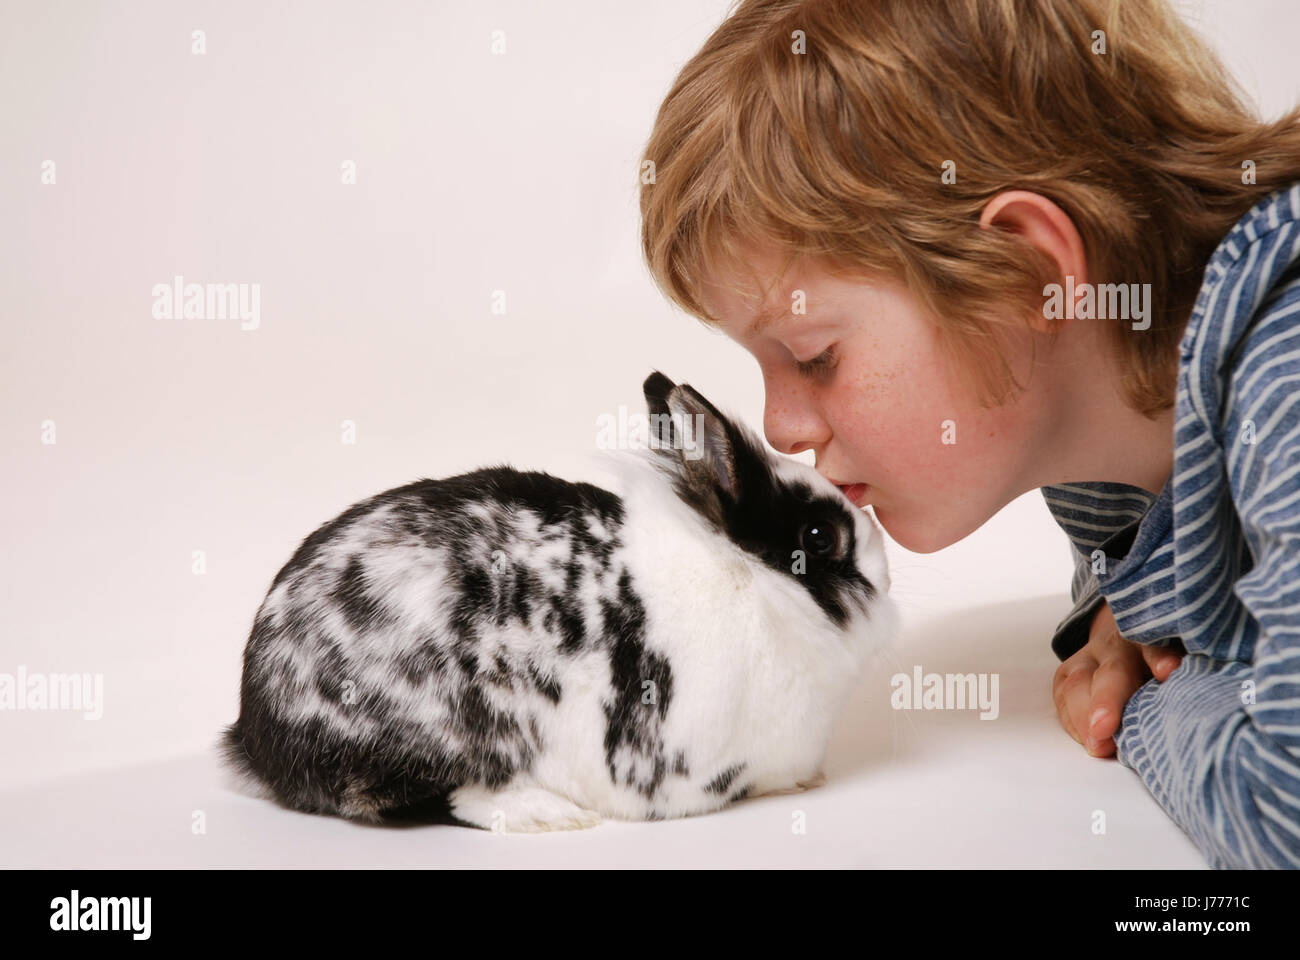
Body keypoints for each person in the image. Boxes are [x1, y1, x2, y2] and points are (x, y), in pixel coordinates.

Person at [637, 0, 1300, 868]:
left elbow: (1282, 810)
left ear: (1027, 275)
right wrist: (1119, 608)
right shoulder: (1095, 463)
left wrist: (1162, 700)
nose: (779, 427)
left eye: (815, 356)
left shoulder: (1280, 383)